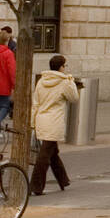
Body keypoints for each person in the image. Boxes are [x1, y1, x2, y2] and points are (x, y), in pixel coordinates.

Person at [30, 54, 79, 195]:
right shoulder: (64, 82)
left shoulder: (42, 81)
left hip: (41, 119)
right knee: (44, 156)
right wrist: (71, 81)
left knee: (53, 153)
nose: (66, 68)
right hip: (54, 121)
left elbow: (35, 103)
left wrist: (32, 122)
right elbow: (74, 98)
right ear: (61, 67)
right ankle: (36, 186)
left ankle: (63, 180)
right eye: (65, 65)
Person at [0, 29, 15, 125]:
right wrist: (14, 86)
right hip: (4, 87)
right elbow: (12, 72)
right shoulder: (8, 54)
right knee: (5, 107)